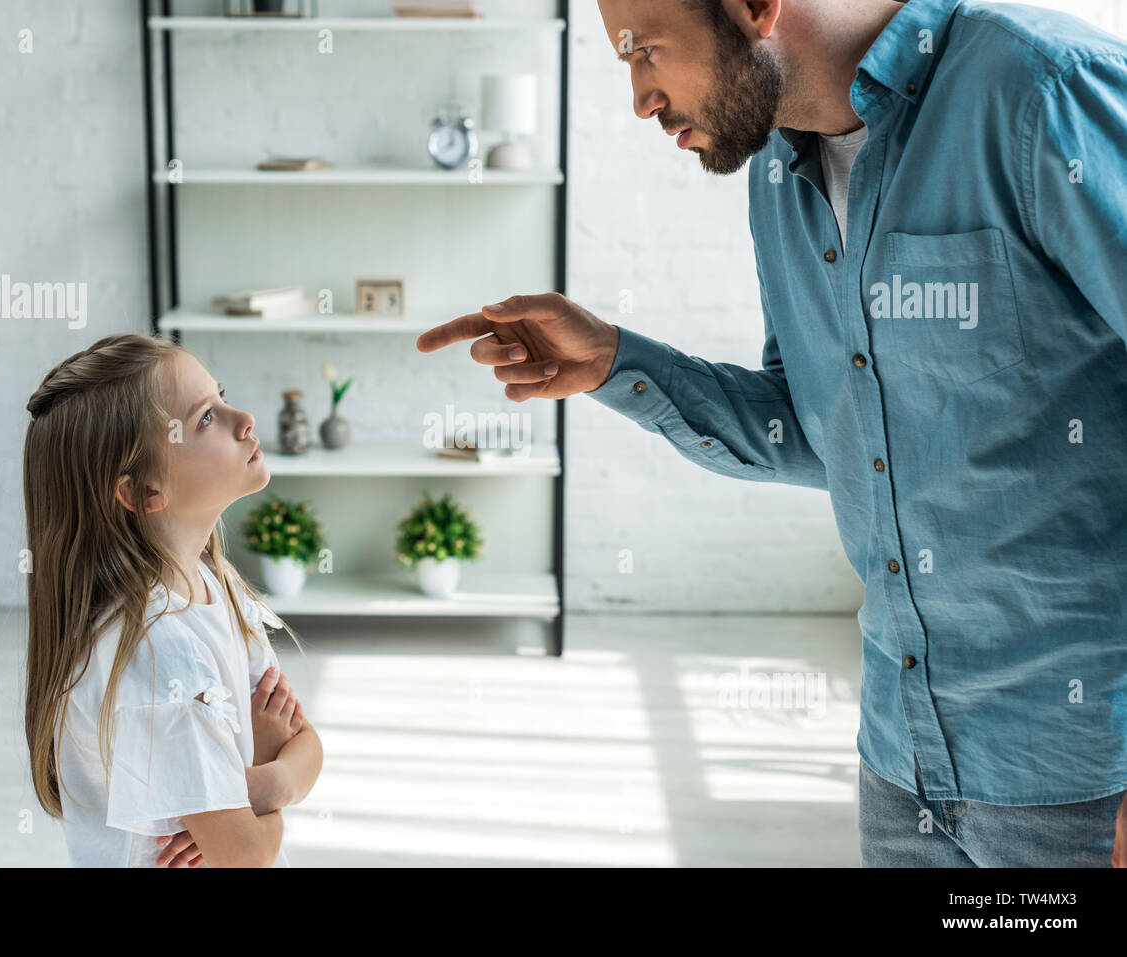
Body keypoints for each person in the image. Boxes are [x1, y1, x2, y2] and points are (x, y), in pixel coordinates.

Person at [416, 0, 1127, 867]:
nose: (640, 98)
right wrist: (615, 362)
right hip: (905, 772)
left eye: (645, 53)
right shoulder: (780, 179)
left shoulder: (1039, 92)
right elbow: (824, 429)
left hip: (1088, 779)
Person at [22, 333, 322, 867]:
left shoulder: (215, 583)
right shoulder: (156, 656)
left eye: (222, 396)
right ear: (142, 492)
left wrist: (258, 784)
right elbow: (246, 856)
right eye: (206, 418)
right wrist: (265, 773)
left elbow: (305, 742)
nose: (245, 418)